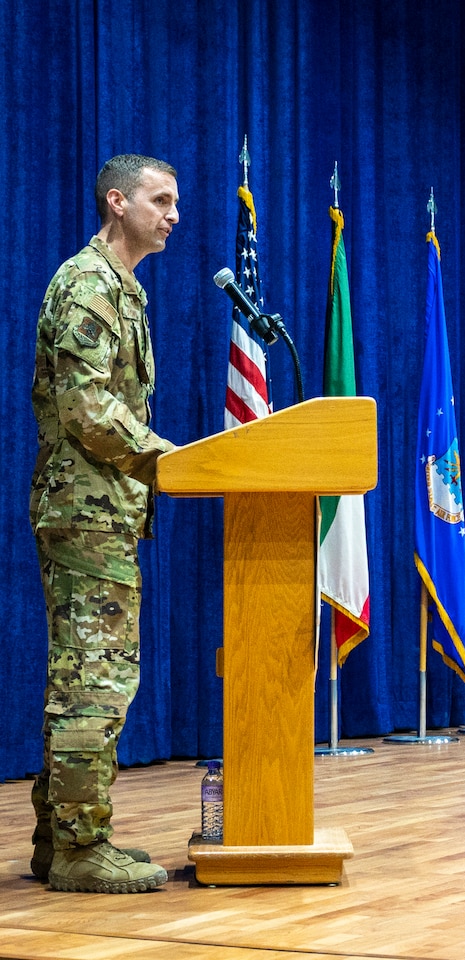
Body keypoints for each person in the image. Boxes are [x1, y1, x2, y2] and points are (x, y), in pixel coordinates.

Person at [29, 154, 180, 893]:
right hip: (84, 512)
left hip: (103, 512)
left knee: (82, 678)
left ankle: (56, 840)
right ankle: (82, 850)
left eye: (176, 202)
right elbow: (88, 411)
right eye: (160, 199)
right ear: (116, 201)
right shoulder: (89, 286)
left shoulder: (124, 292)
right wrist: (172, 461)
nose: (173, 214)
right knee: (97, 683)